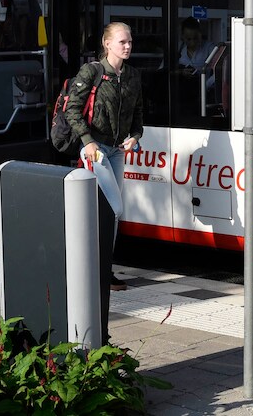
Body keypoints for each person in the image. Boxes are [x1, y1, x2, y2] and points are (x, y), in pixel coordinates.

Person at [65, 22, 144, 308]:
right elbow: (72, 110)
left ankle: (102, 268)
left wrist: (135, 136)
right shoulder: (92, 72)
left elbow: (138, 113)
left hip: (118, 150)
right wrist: (87, 141)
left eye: (130, 41)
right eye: (122, 42)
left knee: (111, 214)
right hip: (96, 150)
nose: (128, 46)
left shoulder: (133, 76)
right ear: (107, 44)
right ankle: (93, 264)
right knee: (115, 207)